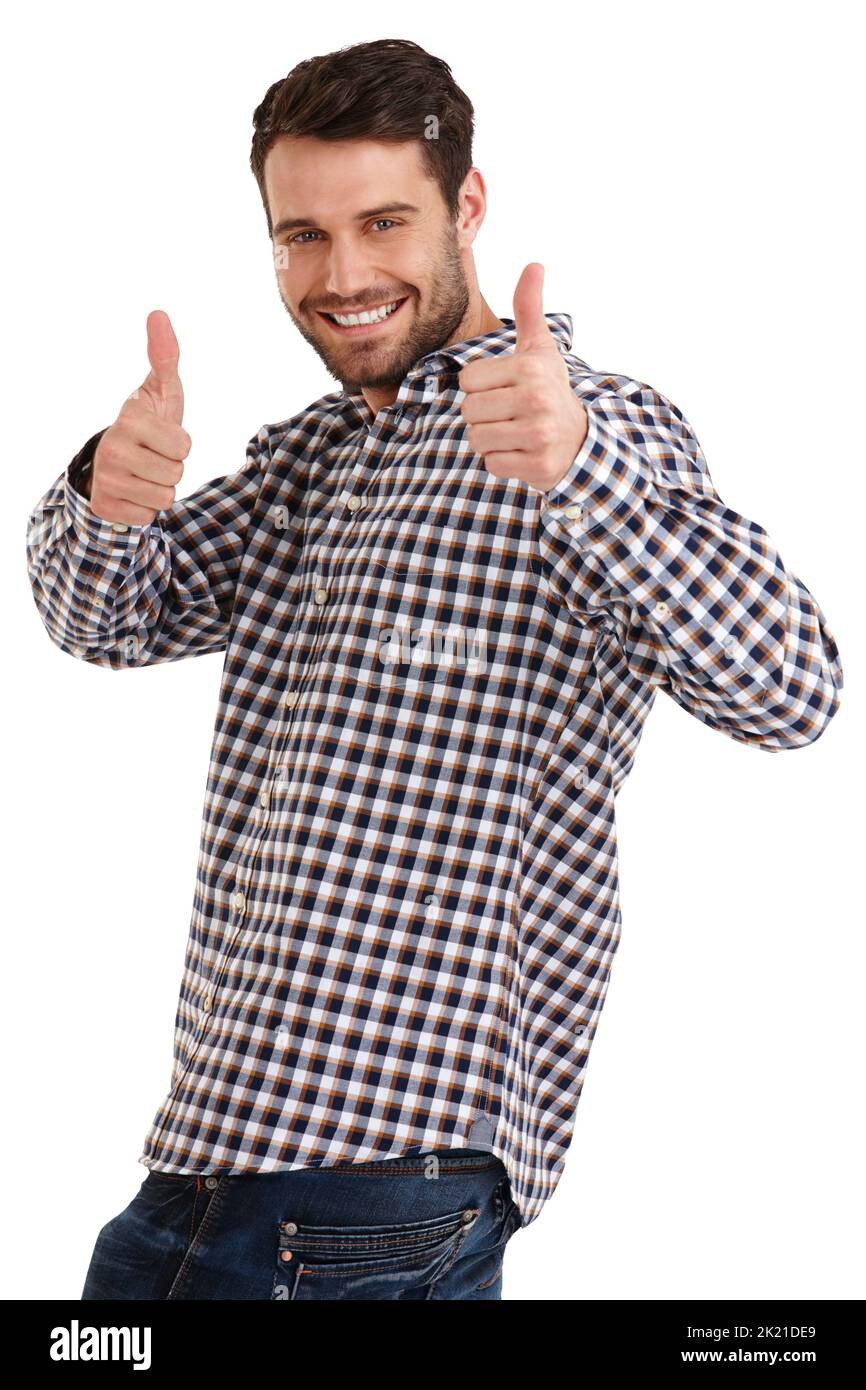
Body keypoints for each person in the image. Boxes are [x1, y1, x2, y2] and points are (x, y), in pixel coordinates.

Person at [26, 38, 843, 1302]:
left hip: (358, 1185)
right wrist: (108, 497)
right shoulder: (317, 457)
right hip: (218, 1167)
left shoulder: (588, 423)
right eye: (301, 234)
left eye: (384, 222)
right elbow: (107, 621)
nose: (342, 275)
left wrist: (585, 474)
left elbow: (792, 688)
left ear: (467, 206)